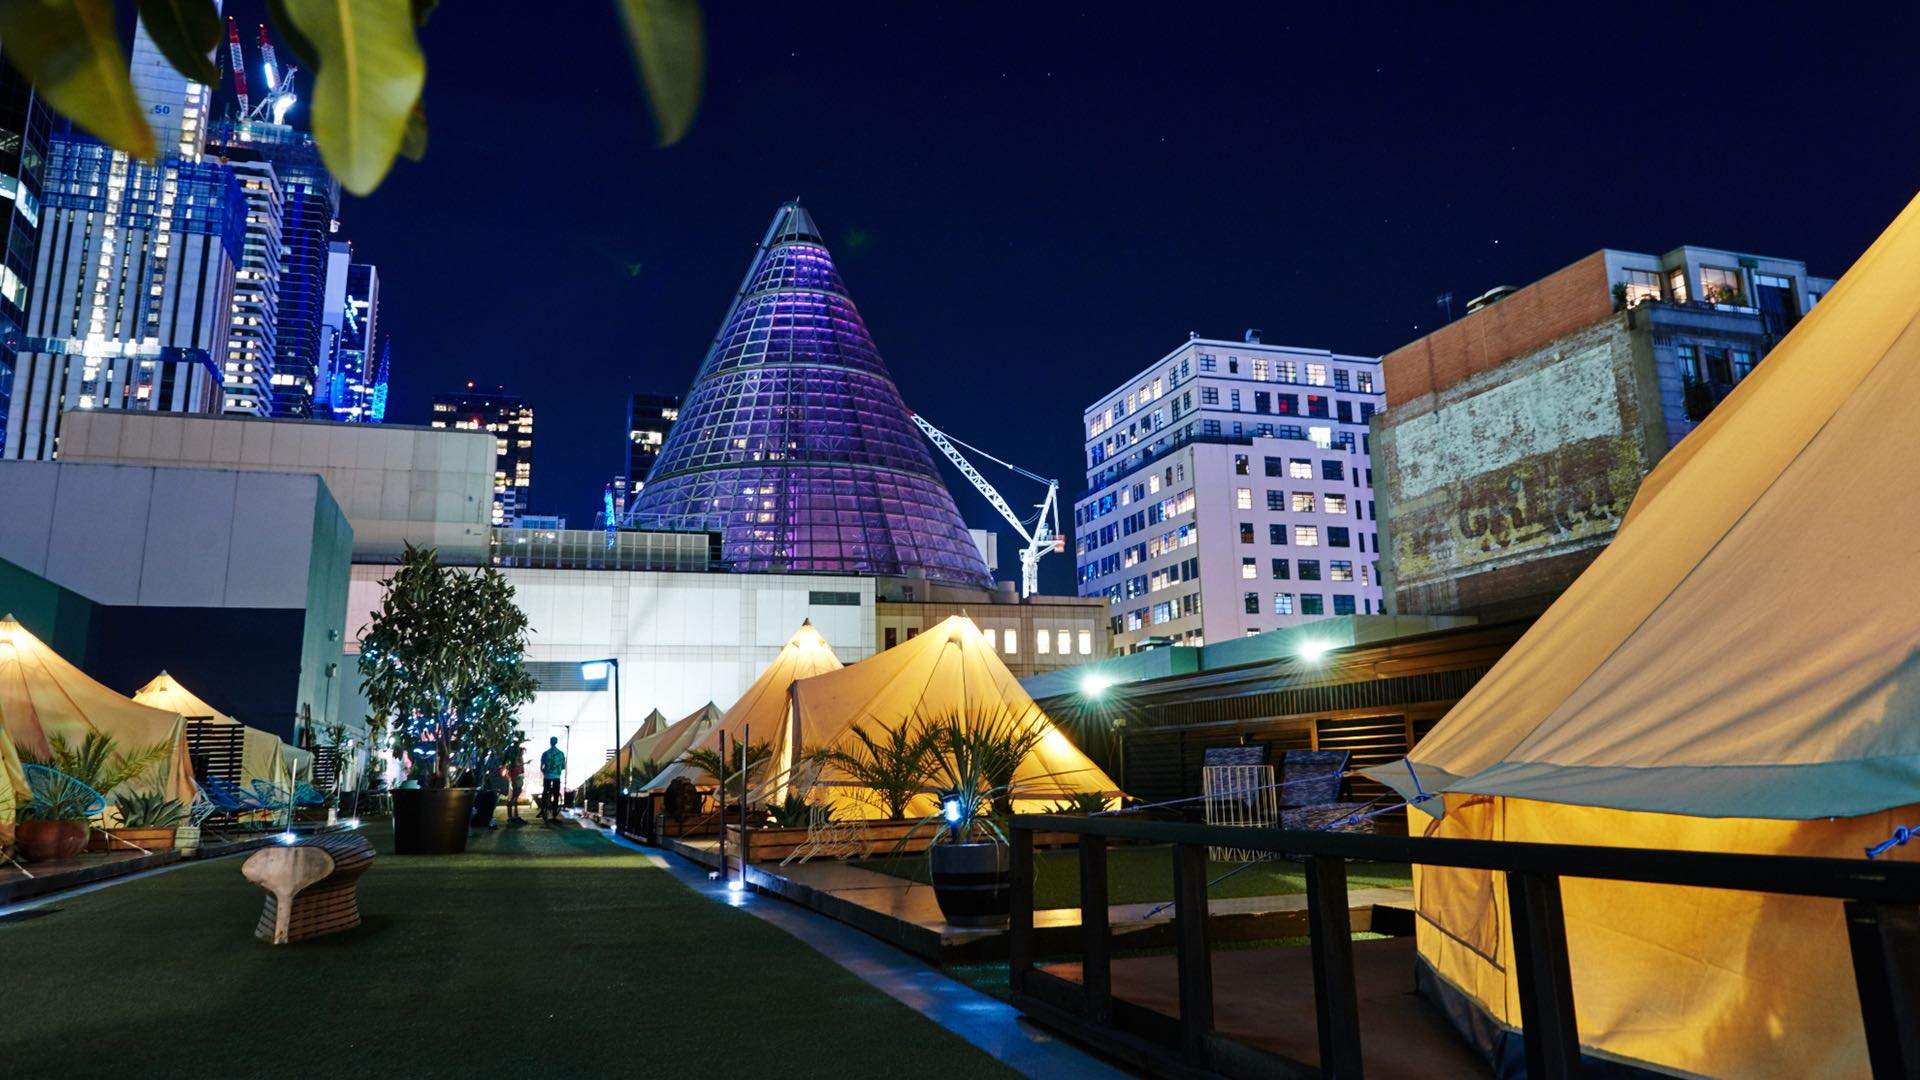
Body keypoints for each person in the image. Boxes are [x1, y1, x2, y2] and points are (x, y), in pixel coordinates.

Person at [539, 736, 566, 823]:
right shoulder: (561, 754)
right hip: (556, 777)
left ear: (550, 742)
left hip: (547, 776)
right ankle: (554, 815)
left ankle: (543, 809)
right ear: (556, 742)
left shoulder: (545, 753)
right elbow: (563, 767)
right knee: (556, 794)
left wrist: (545, 772)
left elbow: (541, 767)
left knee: (545, 791)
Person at [506, 751, 527, 825]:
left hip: (517, 777)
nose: (522, 753)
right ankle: (511, 815)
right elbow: (517, 766)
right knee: (515, 796)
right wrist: (524, 763)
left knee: (515, 796)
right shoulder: (516, 759)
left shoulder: (516, 759)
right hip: (517, 777)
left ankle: (514, 814)